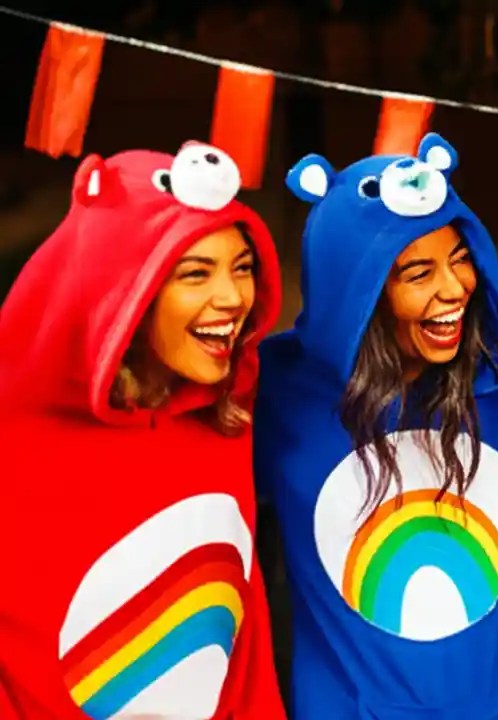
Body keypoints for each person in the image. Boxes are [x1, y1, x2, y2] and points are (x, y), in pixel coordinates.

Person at [253, 133, 498, 718]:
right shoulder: (277, 388)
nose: (454, 289)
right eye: (418, 272)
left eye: (462, 257)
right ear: (357, 291)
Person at [0, 144, 286, 718]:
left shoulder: (229, 423)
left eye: (243, 267)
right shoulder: (15, 442)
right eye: (195, 272)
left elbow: (245, 637)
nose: (232, 298)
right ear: (124, 285)